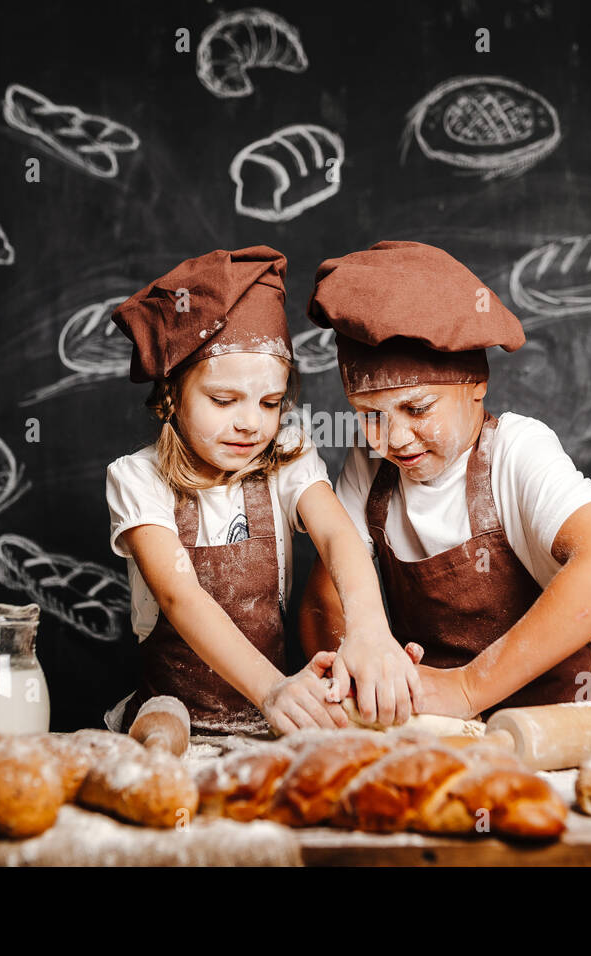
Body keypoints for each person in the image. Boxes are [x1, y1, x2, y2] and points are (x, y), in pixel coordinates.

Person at [298, 240, 591, 718]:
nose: (395, 439)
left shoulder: (516, 451)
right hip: (431, 732)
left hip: (551, 729)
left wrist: (468, 688)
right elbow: (326, 596)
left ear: (476, 384)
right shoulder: (370, 464)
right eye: (369, 415)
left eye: (417, 408)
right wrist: (354, 673)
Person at [105, 245, 419, 735]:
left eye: (270, 402)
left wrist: (371, 632)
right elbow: (178, 594)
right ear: (170, 395)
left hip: (271, 718)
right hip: (173, 716)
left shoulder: (286, 456)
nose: (251, 423)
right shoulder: (136, 478)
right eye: (223, 400)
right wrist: (270, 688)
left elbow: (339, 536)